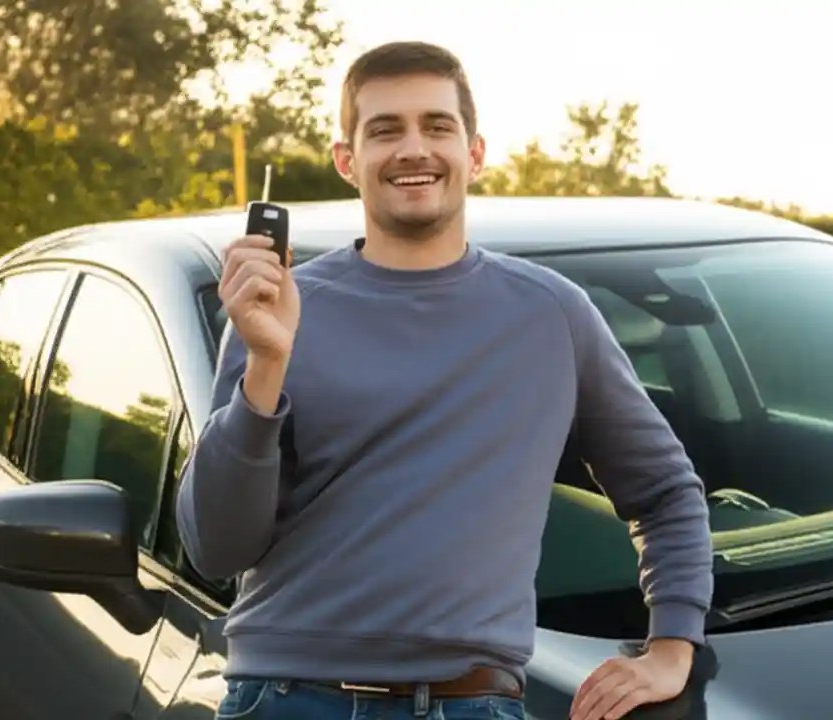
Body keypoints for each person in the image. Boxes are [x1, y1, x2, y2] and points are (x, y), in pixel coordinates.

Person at [175, 40, 714, 720]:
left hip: (470, 705)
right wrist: (266, 364)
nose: (413, 149)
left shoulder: (552, 316)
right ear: (348, 160)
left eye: (436, 126)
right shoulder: (273, 311)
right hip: (283, 697)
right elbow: (216, 547)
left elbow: (665, 492)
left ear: (475, 152)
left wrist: (673, 646)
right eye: (384, 130)